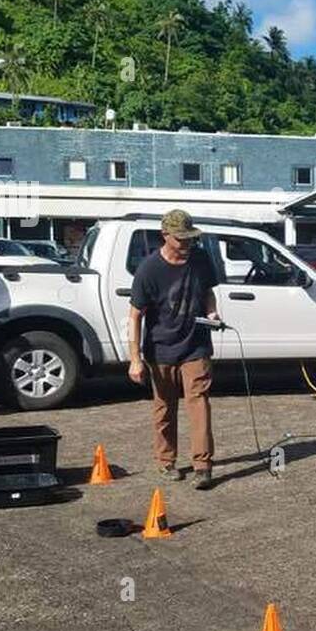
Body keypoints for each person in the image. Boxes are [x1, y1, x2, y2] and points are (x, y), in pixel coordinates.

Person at [128, 209, 219, 490]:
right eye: (181, 240)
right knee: (164, 408)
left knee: (199, 403)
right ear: (164, 236)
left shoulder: (201, 259)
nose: (186, 245)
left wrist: (212, 313)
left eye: (190, 239)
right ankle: (166, 462)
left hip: (196, 345)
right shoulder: (149, 269)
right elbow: (135, 315)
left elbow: (208, 292)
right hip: (161, 349)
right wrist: (135, 359)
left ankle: (203, 466)